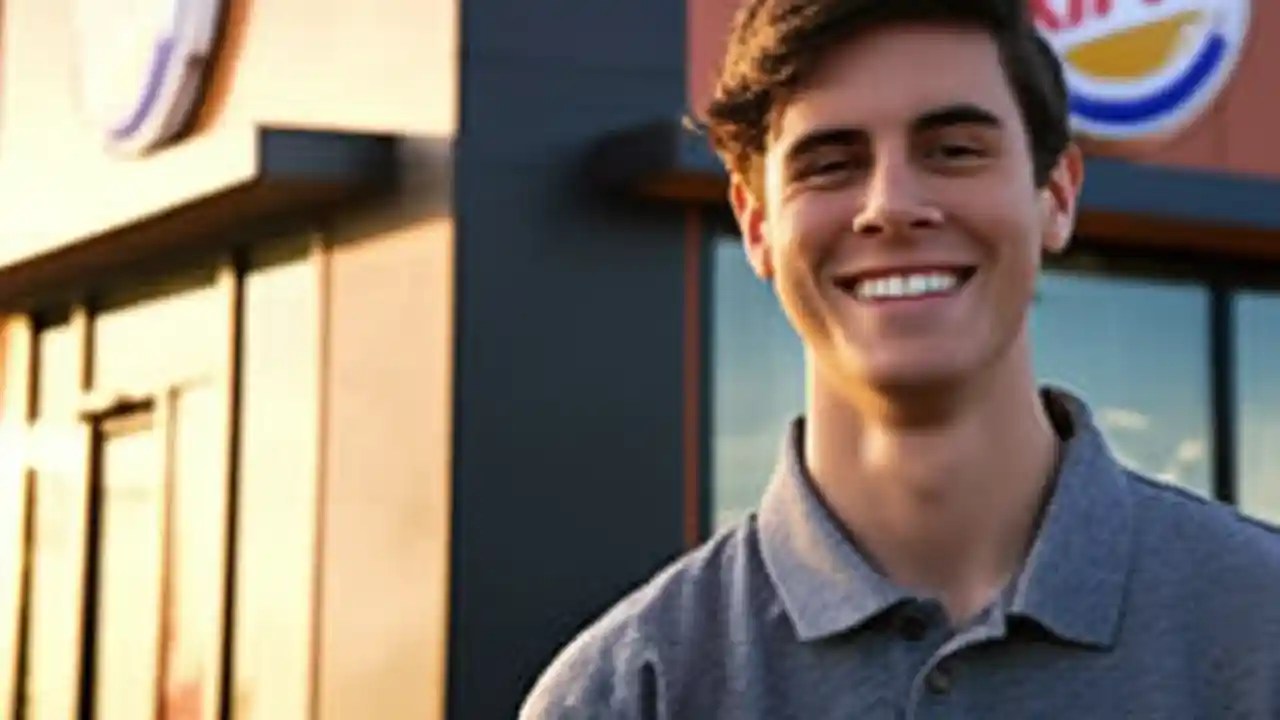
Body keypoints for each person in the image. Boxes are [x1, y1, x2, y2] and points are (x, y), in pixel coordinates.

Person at [521, 0, 1280, 717]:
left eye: (953, 151)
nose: (889, 204)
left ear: (1055, 192)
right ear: (755, 223)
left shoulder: (1261, 633)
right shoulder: (627, 693)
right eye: (829, 163)